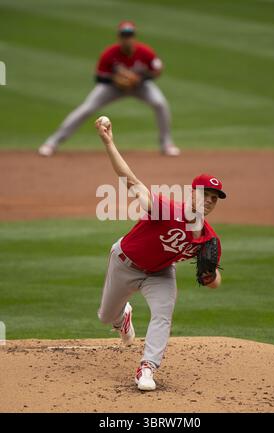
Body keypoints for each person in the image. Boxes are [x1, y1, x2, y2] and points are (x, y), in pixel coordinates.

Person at [95, 117, 226, 391]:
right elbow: (130, 181)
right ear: (193, 193)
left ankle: (147, 368)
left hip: (160, 273)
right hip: (125, 262)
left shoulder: (209, 238)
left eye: (215, 198)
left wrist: (210, 275)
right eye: (206, 195)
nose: (210, 201)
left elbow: (213, 282)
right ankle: (122, 318)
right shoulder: (166, 209)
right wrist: (109, 143)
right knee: (106, 316)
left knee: (163, 314)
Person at [39, 21, 179, 157]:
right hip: (112, 88)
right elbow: (99, 78)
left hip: (140, 87)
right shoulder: (109, 54)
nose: (127, 38)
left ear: (134, 37)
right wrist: (115, 80)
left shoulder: (145, 52)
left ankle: (166, 144)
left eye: (129, 35)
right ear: (119, 37)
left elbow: (157, 71)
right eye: (124, 35)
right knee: (86, 108)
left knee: (160, 103)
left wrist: (139, 79)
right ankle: (52, 142)